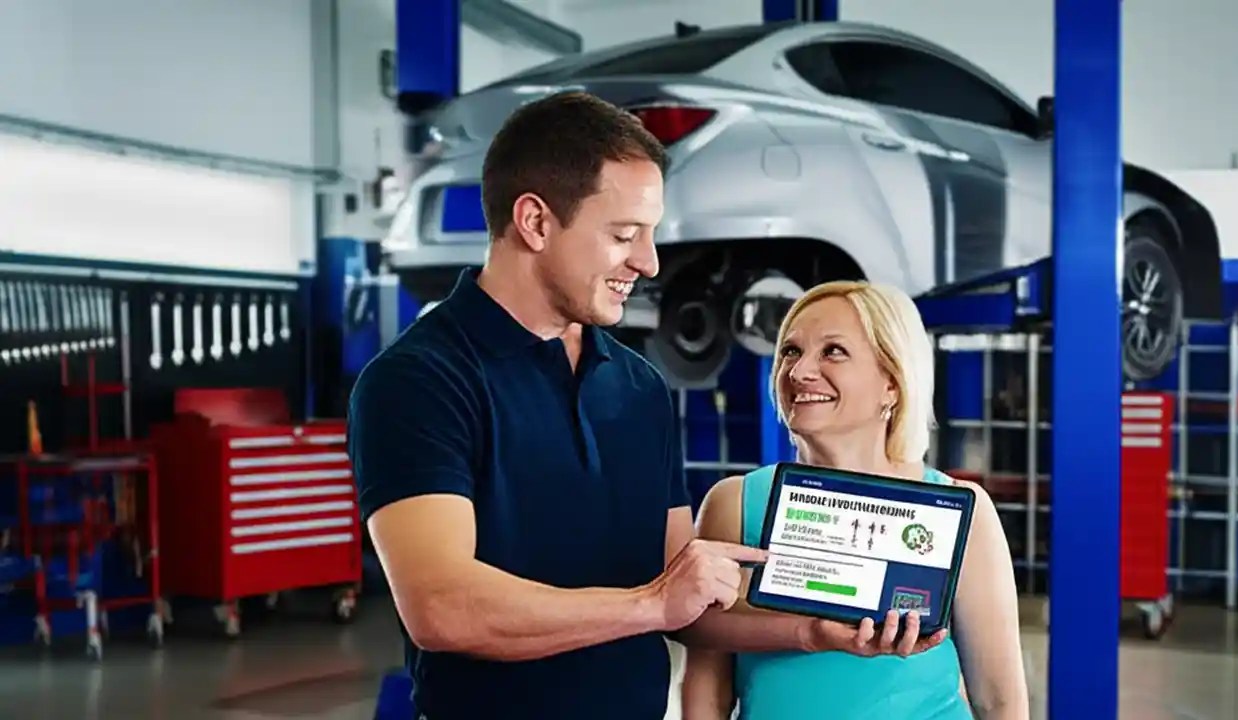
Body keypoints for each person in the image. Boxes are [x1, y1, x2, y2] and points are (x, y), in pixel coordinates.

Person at [347, 91, 942, 720]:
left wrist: (812, 632)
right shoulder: (419, 380)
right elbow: (442, 607)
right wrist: (651, 604)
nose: (649, 261)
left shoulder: (638, 387)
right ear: (535, 222)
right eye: (624, 234)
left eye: (650, 234)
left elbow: (689, 603)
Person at [681, 280, 1031, 720]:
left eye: (833, 352)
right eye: (790, 351)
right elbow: (706, 688)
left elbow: (1000, 701)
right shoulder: (735, 504)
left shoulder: (961, 511)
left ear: (892, 382)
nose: (800, 371)